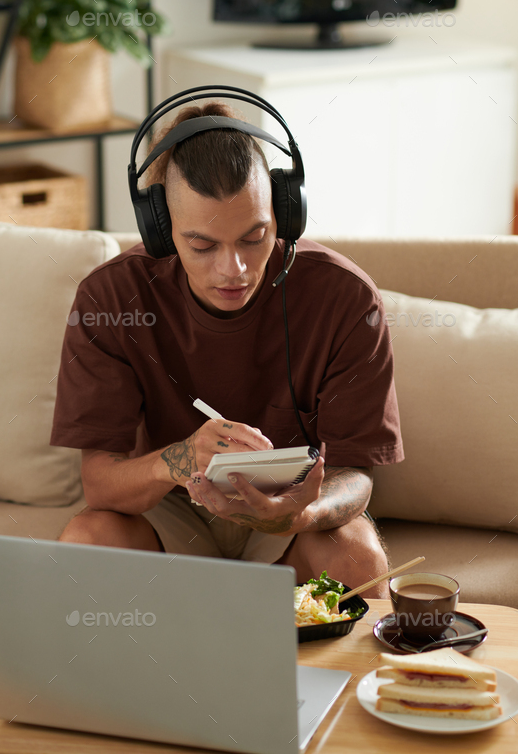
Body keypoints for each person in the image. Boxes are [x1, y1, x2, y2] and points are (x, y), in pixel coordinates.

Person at [51, 100, 405, 598]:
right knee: (85, 543)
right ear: (161, 227)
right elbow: (100, 485)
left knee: (359, 558)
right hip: (171, 511)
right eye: (202, 245)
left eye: (254, 237)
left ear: (285, 212)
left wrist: (302, 513)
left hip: (289, 514)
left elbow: (356, 476)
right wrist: (181, 458)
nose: (233, 269)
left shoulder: (344, 298)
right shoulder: (110, 299)